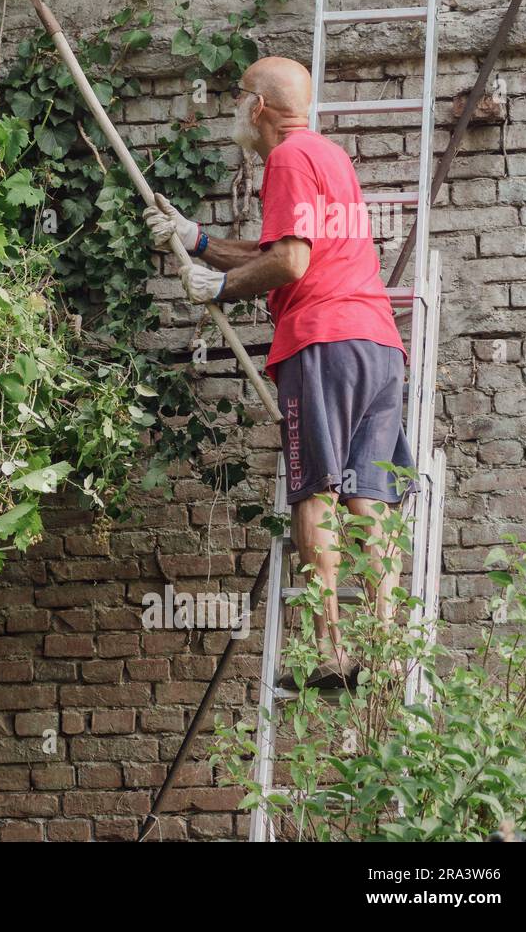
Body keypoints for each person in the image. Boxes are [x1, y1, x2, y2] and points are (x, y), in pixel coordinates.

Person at [143, 56, 415, 688]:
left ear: (258, 106)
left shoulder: (287, 159)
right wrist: (197, 239)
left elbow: (290, 264)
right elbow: (289, 249)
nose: (236, 107)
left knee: (315, 490)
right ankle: (388, 651)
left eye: (239, 96)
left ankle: (329, 653)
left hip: (322, 341)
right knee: (370, 495)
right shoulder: (330, 156)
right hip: (376, 344)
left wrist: (220, 287)